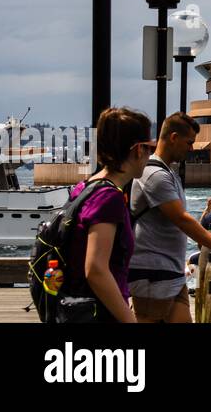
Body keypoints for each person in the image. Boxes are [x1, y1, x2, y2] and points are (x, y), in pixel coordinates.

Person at [129, 112, 211, 322]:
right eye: (189, 142)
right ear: (174, 137)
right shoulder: (155, 175)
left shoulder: (167, 173)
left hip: (171, 271)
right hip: (152, 272)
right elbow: (181, 218)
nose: (192, 149)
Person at [60, 106, 154, 323]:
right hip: (100, 314)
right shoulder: (108, 198)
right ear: (138, 149)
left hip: (78, 308)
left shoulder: (85, 187)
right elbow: (96, 269)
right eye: (150, 147)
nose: (151, 155)